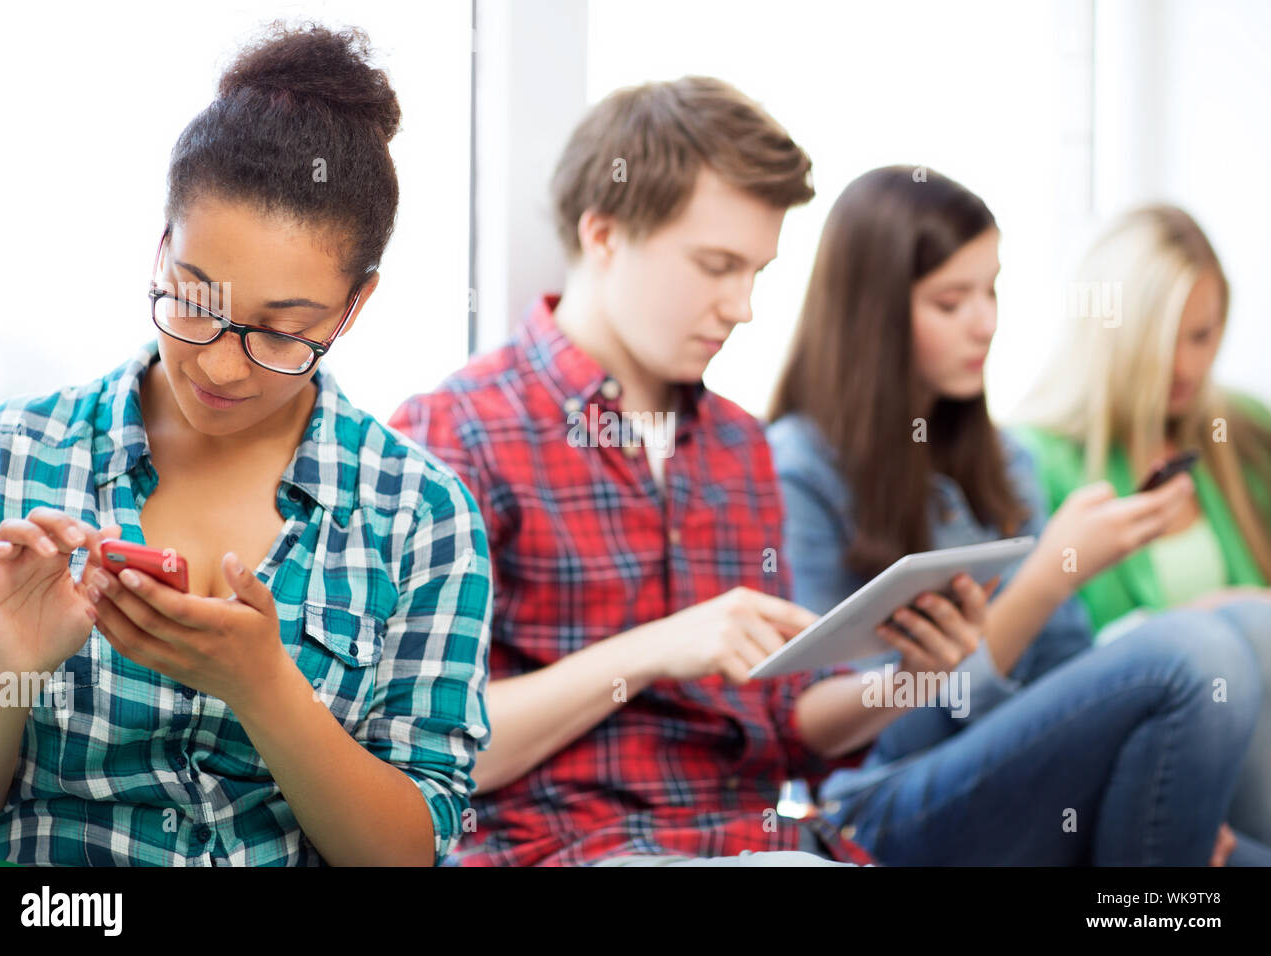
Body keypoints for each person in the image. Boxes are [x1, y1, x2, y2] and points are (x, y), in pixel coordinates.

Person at [0, 23, 490, 866]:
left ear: (354, 308)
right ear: (162, 248)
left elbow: (407, 850)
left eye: (283, 331)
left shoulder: (421, 514)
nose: (217, 365)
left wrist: (264, 689)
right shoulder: (14, 455)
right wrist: (9, 669)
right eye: (194, 302)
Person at [390, 76, 941, 866]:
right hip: (568, 847)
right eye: (716, 265)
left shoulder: (739, 446)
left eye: (756, 271)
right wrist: (654, 648)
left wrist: (913, 678)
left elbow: (786, 730)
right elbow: (430, 756)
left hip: (761, 844)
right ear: (605, 234)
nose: (742, 305)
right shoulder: (458, 431)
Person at [765, 165, 1268, 865]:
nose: (986, 322)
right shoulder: (799, 470)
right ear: (873, 312)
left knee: (1247, 632)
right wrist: (1047, 580)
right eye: (951, 301)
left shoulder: (1003, 463)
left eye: (991, 291)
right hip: (881, 801)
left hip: (1024, 782)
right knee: (1202, 649)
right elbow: (873, 740)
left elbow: (1065, 683)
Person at [1012, 203, 1271, 844]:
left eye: (1203, 336)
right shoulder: (1029, 461)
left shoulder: (1240, 433)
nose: (1185, 367)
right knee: (1233, 637)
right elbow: (1044, 688)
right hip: (1145, 751)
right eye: (1163, 340)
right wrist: (1207, 617)